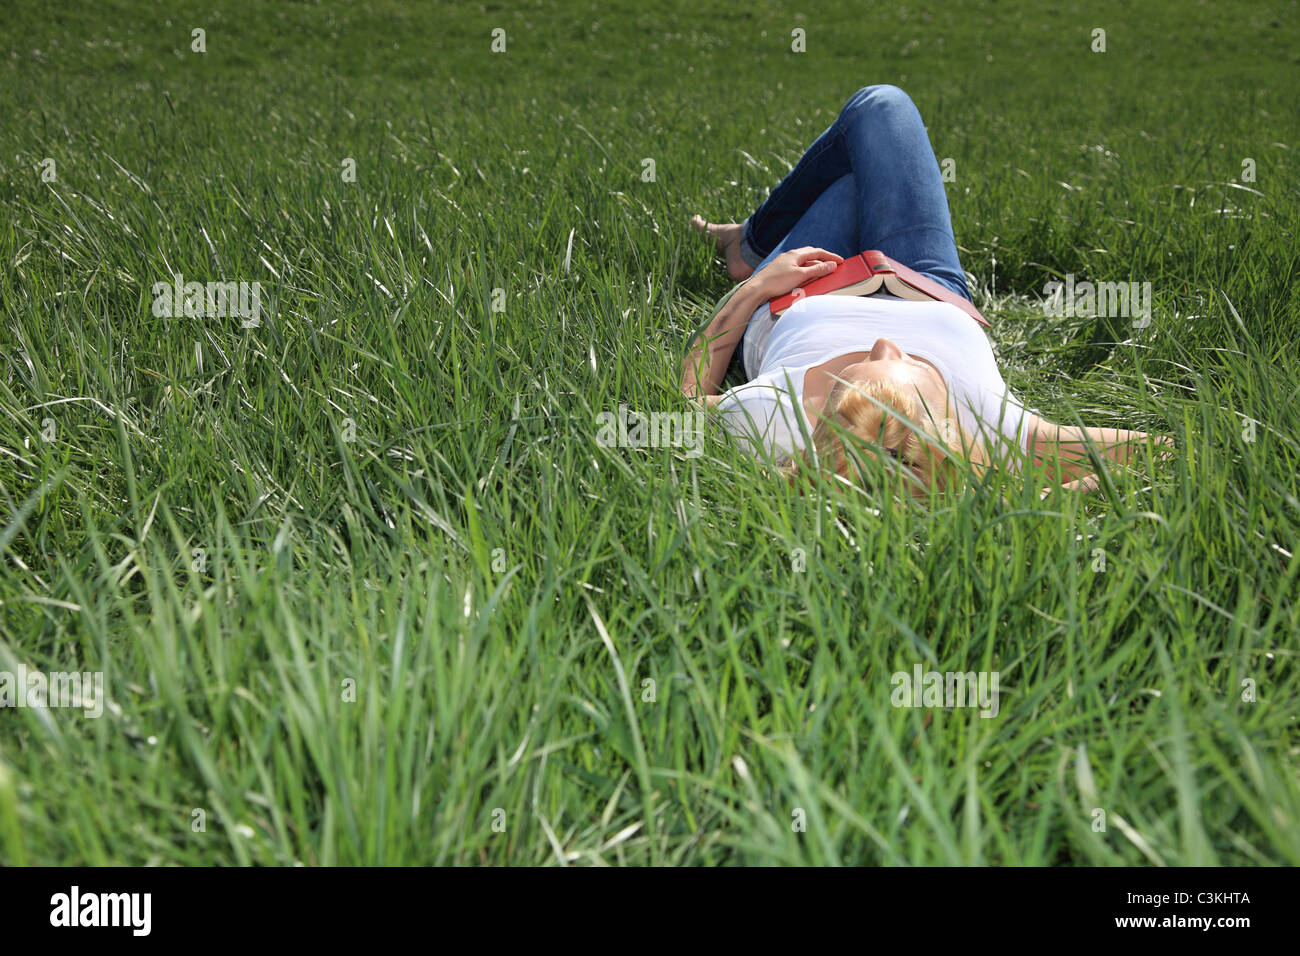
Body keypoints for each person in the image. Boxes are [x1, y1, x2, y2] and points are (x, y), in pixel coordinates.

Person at [682, 85, 1171, 495]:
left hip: (803, 284)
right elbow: (1159, 451)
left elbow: (690, 398)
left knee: (856, 174)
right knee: (881, 110)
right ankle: (750, 242)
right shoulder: (995, 431)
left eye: (853, 370)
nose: (884, 341)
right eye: (911, 365)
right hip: (924, 279)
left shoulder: (773, 416)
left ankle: (751, 253)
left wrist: (757, 288)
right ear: (944, 424)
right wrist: (1044, 503)